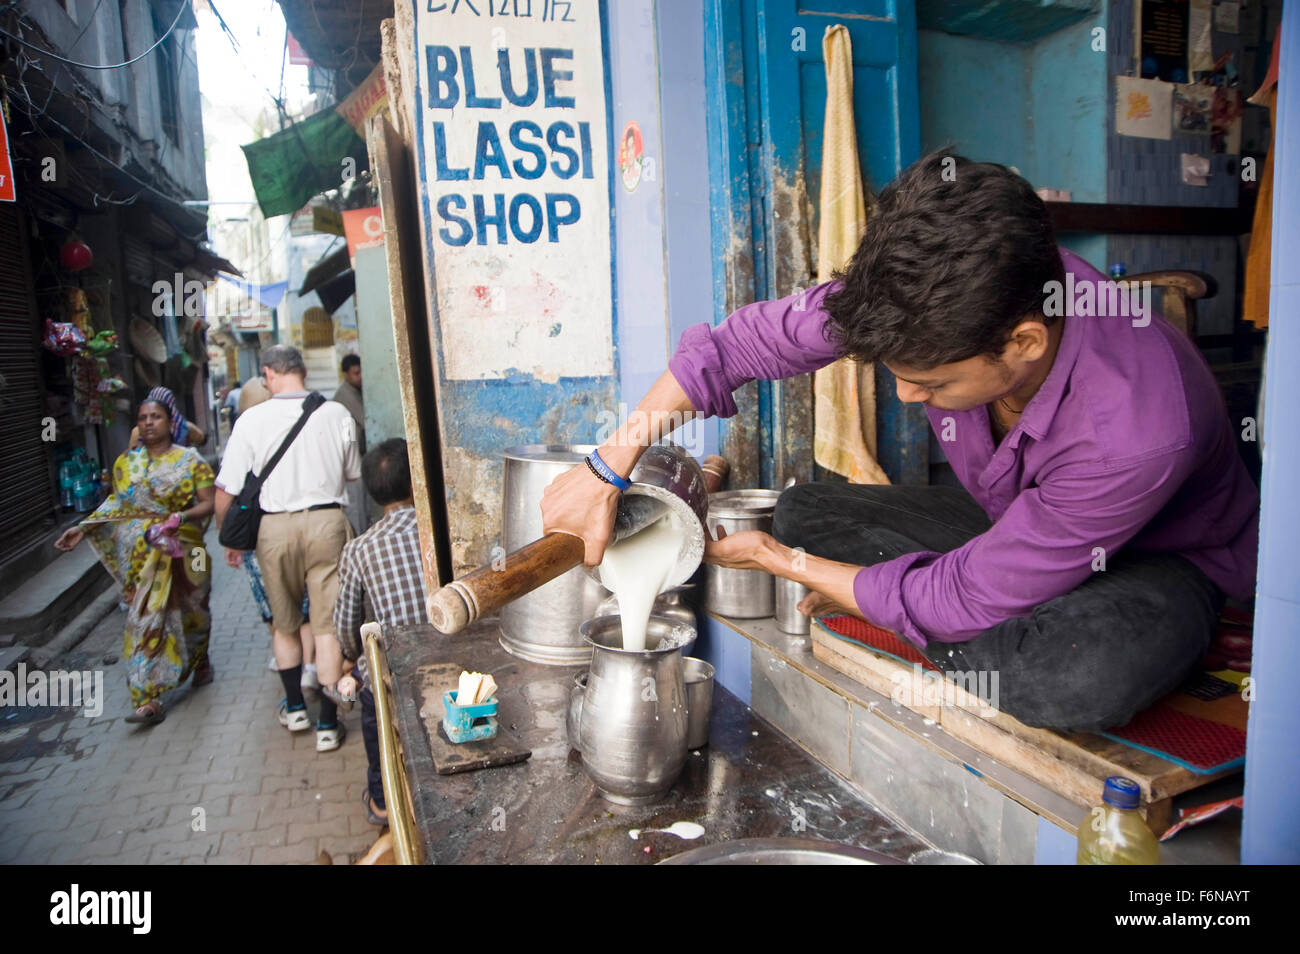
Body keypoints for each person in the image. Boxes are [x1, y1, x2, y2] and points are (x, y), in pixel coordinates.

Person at [541, 150, 1259, 733]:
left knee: (1065, 680)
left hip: (1160, 564)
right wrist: (611, 462)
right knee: (804, 514)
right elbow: (737, 347)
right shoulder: (923, 295)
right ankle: (925, 599)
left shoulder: (1138, 429)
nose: (911, 397)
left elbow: (969, 591)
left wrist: (790, 568)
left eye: (933, 385)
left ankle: (929, 604)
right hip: (1019, 527)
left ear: (1023, 343)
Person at [214, 345, 360, 752]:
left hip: (272, 529)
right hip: (327, 524)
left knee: (285, 624)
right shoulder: (336, 414)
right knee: (328, 626)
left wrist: (228, 537)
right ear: (302, 373)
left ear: (269, 374)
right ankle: (328, 726)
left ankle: (296, 708)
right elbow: (352, 473)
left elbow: (225, 488)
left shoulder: (250, 420)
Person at [54, 396, 216, 724]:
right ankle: (148, 696)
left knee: (196, 610)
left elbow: (209, 504)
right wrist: (83, 529)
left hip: (191, 549)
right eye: (142, 417)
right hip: (141, 556)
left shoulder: (192, 461)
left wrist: (178, 520)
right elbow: (118, 504)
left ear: (171, 423)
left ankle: (199, 662)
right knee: (144, 617)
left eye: (155, 416)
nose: (148, 423)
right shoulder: (125, 464)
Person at [332, 438, 428, 825]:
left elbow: (345, 622)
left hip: (388, 675)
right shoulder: (439, 529)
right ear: (415, 483)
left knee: (379, 740)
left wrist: (348, 658)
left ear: (373, 493)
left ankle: (383, 803)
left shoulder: (358, 548)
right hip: (447, 661)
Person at [230, 374, 318, 691]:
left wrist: (226, 536)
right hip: (305, 527)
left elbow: (229, 491)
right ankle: (309, 666)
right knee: (306, 608)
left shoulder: (245, 437)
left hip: (261, 535)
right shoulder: (298, 429)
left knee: (279, 616)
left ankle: (292, 691)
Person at [333, 354, 369, 534]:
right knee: (357, 507)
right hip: (353, 459)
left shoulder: (357, 391)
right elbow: (366, 419)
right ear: (346, 374)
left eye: (362, 371)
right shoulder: (345, 394)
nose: (360, 376)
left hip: (357, 456)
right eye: (356, 373)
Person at [128, 386, 205, 450]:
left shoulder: (138, 431)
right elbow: (202, 439)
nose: (149, 422)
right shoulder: (185, 426)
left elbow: (132, 455)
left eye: (157, 416)